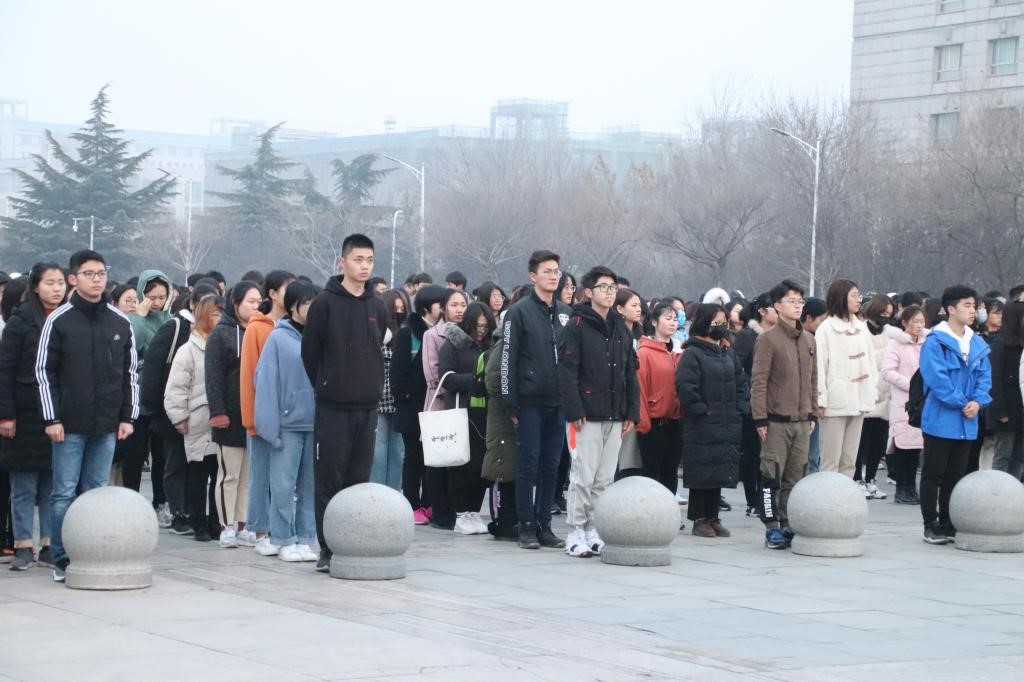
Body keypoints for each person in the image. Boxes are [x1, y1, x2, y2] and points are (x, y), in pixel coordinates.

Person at [37, 250, 138, 582]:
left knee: (96, 490)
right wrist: (51, 419)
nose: (97, 279)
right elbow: (44, 372)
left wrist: (128, 416)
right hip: (68, 424)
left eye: (101, 273)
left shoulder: (120, 321)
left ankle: (91, 552)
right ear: (73, 279)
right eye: (89, 273)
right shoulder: (59, 320)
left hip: (107, 423)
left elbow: (130, 374)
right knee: (64, 491)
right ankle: (62, 557)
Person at [301, 234, 390, 572]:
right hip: (333, 406)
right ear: (343, 262)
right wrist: (326, 385)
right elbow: (310, 354)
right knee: (329, 479)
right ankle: (327, 547)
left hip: (367, 407)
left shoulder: (377, 305)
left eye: (369, 260)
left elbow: (378, 347)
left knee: (358, 479)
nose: (364, 266)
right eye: (357, 260)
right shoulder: (325, 303)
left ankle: (353, 542)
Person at [559, 266, 640, 557]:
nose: (609, 291)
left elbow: (631, 370)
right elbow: (567, 371)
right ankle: (575, 530)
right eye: (603, 287)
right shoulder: (576, 325)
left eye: (612, 287)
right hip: (586, 414)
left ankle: (594, 528)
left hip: (615, 413)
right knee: (583, 475)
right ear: (589, 292)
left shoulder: (620, 326)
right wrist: (574, 408)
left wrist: (632, 411)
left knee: (605, 478)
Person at [500, 250, 572, 551]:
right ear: (533, 276)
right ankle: (526, 525)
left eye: (556, 271)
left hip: (559, 401)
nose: (553, 276)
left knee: (551, 465)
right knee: (528, 464)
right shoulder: (519, 312)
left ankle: (544, 524)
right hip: (529, 401)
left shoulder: (566, 312)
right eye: (547, 271)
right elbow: (507, 359)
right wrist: (510, 401)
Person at [0, 263, 66, 570]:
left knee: (52, 486)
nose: (56, 288)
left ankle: (50, 544)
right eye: (50, 282)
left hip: (59, 412)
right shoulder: (20, 321)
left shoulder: (68, 317)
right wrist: (6, 415)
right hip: (25, 414)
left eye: (60, 282)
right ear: (35, 286)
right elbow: (5, 371)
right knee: (24, 484)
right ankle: (23, 544)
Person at [139, 282, 219, 536]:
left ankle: (199, 515)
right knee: (176, 463)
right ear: (193, 304)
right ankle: (179, 512)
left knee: (200, 466)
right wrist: (156, 408)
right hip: (174, 411)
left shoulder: (219, 336)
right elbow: (153, 368)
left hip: (202, 414)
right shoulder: (175, 328)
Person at [919, 286, 992, 545]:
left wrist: (978, 402)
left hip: (968, 419)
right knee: (934, 473)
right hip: (941, 417)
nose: (973, 311)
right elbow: (936, 379)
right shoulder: (935, 341)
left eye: (975, 306)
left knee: (956, 474)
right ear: (950, 309)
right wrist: (963, 402)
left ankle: (949, 522)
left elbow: (985, 378)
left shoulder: (977, 342)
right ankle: (931, 523)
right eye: (967, 305)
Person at [254, 281, 319, 562]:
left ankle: (306, 537)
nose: (312, 308)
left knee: (309, 486)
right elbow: (265, 382)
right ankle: (282, 537)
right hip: (287, 425)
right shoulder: (278, 338)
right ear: (293, 306)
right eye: (306, 303)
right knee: (282, 485)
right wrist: (270, 427)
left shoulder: (320, 336)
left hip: (315, 423)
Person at [750, 281, 817, 549]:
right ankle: (772, 526)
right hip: (775, 420)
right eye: (791, 301)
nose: (798, 305)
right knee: (771, 475)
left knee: (796, 476)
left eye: (800, 301)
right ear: (777, 306)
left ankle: (789, 522)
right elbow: (759, 381)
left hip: (802, 421)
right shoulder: (767, 339)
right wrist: (760, 418)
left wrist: (812, 412)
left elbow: (813, 379)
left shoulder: (810, 339)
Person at [678, 303, 746, 538]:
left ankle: (714, 516)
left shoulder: (727, 352)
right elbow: (687, 388)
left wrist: (739, 409)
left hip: (727, 421)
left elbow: (741, 384)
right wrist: (702, 411)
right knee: (701, 472)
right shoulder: (692, 353)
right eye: (717, 322)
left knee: (719, 470)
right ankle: (700, 518)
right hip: (703, 423)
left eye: (724, 322)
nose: (722, 326)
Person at [239, 270, 295, 556]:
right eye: (288, 288)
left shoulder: (294, 327)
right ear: (273, 294)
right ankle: (260, 530)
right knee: (260, 476)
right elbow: (249, 374)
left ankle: (280, 529)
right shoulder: (257, 328)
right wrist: (252, 419)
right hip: (262, 416)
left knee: (284, 478)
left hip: (290, 416)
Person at [205, 280, 262, 549]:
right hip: (228, 415)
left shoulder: (258, 332)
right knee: (229, 474)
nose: (255, 306)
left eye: (258, 302)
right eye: (250, 301)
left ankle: (243, 524)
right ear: (235, 303)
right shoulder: (221, 334)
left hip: (251, 414)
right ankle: (226, 525)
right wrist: (218, 412)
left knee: (248, 476)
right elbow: (213, 377)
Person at [164, 294, 223, 542]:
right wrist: (179, 418)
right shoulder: (187, 350)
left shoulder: (225, 344)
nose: (219, 318)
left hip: (221, 421)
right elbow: (176, 388)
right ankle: (198, 522)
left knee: (219, 475)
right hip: (198, 420)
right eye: (215, 313)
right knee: (198, 474)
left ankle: (216, 522)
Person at [438, 301, 495, 535]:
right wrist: (475, 380)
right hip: (462, 412)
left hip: (487, 414)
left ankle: (474, 511)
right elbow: (447, 378)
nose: (481, 330)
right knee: (461, 465)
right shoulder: (453, 345)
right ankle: (461, 513)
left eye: (485, 326)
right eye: (478, 326)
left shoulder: (492, 346)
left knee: (481, 467)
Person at [392, 285, 445, 525]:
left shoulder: (444, 332)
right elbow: (397, 375)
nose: (444, 308)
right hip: (413, 408)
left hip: (435, 406)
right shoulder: (408, 334)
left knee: (433, 458)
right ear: (426, 307)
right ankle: (413, 504)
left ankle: (430, 502)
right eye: (440, 304)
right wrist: (408, 399)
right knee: (413, 457)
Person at [123, 269, 173, 525]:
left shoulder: (169, 320)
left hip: (164, 396)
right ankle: (130, 502)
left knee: (161, 455)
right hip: (139, 397)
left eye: (161, 297)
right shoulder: (134, 320)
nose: (156, 302)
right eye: (151, 296)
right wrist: (140, 317)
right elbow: (133, 345)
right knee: (135, 453)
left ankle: (161, 502)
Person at [816, 280, 877, 477]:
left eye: (858, 295)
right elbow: (819, 367)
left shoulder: (861, 328)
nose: (858, 300)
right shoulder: (826, 329)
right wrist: (821, 399)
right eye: (853, 295)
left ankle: (845, 502)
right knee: (830, 460)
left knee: (849, 461)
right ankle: (827, 502)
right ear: (841, 297)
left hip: (859, 399)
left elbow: (870, 363)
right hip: (835, 401)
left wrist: (871, 390)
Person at [420, 288, 469, 530]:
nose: (459, 309)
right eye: (454, 305)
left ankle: (457, 510)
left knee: (457, 461)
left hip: (463, 405)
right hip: (441, 404)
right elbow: (432, 374)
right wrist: (456, 385)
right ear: (444, 307)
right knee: (437, 461)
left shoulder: (469, 335)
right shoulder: (433, 335)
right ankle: (439, 513)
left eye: (463, 305)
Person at [733, 292, 776, 516]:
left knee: (769, 455)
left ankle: (767, 498)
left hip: (775, 403)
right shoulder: (748, 336)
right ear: (762, 312)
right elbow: (736, 368)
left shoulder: (780, 335)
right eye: (774, 307)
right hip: (752, 404)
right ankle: (753, 500)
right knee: (752, 455)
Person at [881, 305, 928, 504]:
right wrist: (911, 385)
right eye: (914, 321)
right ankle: (902, 487)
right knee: (902, 447)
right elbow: (887, 371)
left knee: (916, 447)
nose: (918, 325)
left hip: (923, 401)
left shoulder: (928, 342)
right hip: (903, 400)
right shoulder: (895, 344)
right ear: (904, 323)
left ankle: (912, 488)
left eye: (921, 321)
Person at [636, 301, 683, 494]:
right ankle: (651, 515)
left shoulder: (679, 351)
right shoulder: (644, 352)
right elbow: (640, 389)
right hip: (653, 423)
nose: (672, 323)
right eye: (667, 318)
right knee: (651, 471)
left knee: (670, 471)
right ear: (654, 322)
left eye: (675, 319)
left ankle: (669, 512)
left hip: (676, 420)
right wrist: (643, 423)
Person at [854, 294, 893, 500]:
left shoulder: (890, 333)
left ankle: (870, 479)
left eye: (889, 313)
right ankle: (856, 478)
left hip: (885, 394)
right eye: (883, 313)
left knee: (878, 443)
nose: (887, 317)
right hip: (866, 392)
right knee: (861, 441)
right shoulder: (860, 330)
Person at [483, 324, 519, 540]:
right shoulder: (503, 344)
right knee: (501, 467)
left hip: (518, 415)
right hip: (502, 416)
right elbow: (493, 380)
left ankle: (513, 518)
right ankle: (501, 520)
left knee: (514, 467)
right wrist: (511, 404)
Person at [371, 289, 407, 491]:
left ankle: (394, 494)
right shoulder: (378, 333)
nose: (399, 313)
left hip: (400, 401)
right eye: (395, 309)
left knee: (397, 451)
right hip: (378, 400)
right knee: (378, 451)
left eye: (402, 308)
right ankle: (376, 493)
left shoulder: (406, 333)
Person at [991, 301, 1024, 479]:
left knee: (1019, 457)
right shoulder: (1001, 343)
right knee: (1003, 455)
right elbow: (994, 379)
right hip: (1007, 408)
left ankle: (1014, 493)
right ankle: (996, 492)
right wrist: (1000, 410)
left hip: (1021, 406)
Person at [800, 297, 828, 473]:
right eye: (821, 320)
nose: (823, 324)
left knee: (813, 456)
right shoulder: (803, 340)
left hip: (813, 403)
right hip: (798, 405)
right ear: (809, 318)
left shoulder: (817, 338)